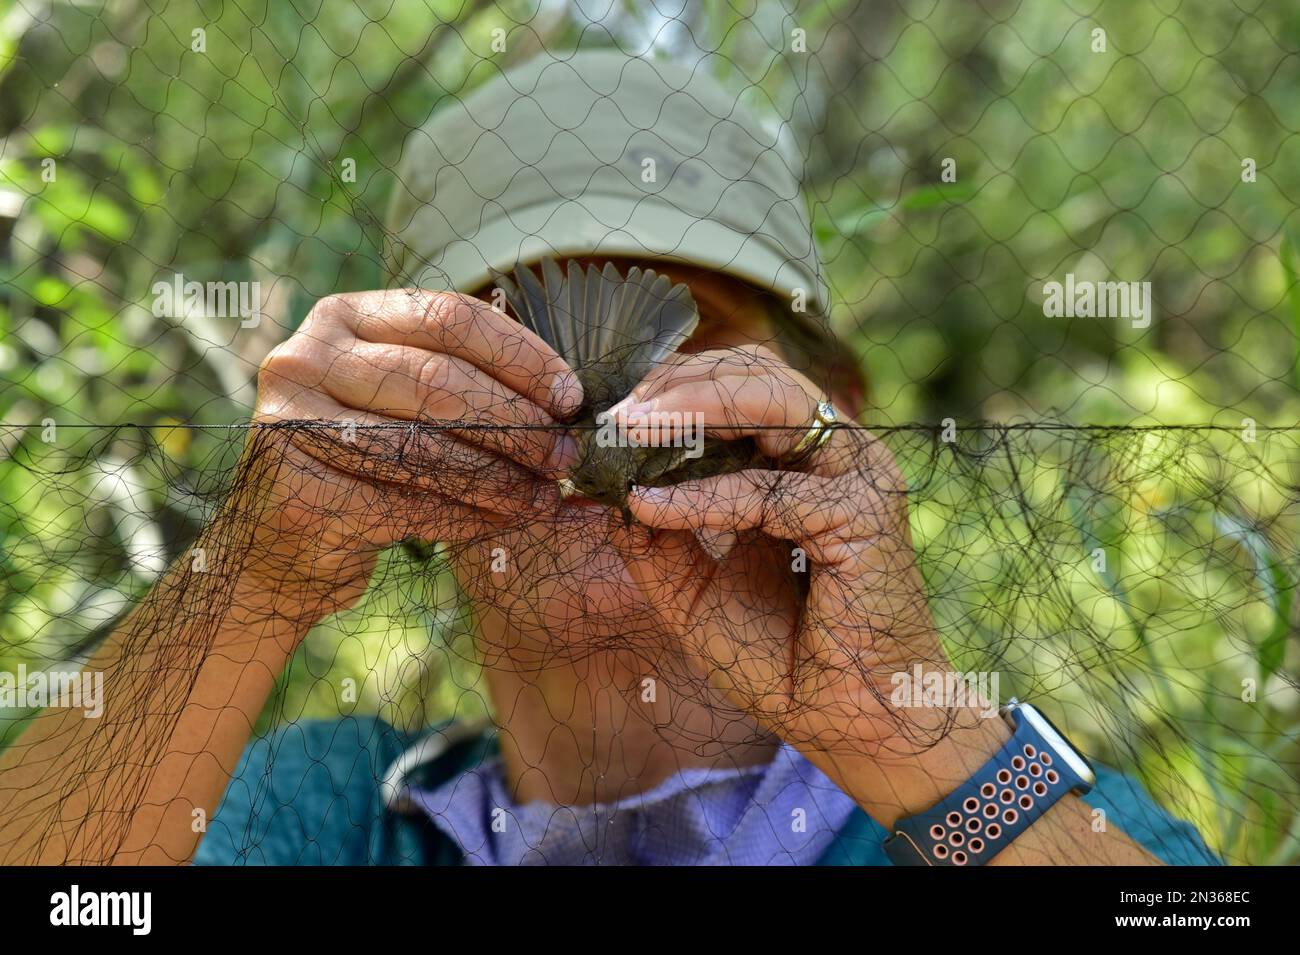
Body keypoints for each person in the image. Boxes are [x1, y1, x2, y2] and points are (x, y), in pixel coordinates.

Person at [0, 49, 1215, 866]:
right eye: (504, 340)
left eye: (681, 334)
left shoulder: (1018, 810)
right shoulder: (325, 815)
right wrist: (255, 572)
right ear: (388, 416)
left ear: (830, 410)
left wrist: (913, 743)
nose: (588, 399)